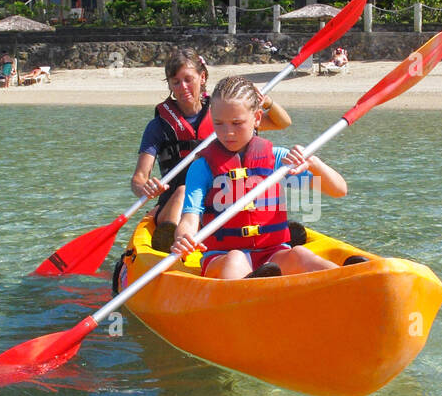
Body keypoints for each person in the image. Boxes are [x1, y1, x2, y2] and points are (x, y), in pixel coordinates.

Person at [171, 76, 348, 280]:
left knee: (300, 254)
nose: (228, 132)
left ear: (256, 118)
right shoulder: (202, 167)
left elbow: (339, 190)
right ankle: (252, 293)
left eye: (237, 123)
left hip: (272, 253)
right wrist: (184, 237)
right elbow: (189, 218)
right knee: (236, 259)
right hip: (222, 257)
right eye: (218, 123)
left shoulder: (277, 159)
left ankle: (347, 280)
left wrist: (314, 164)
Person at [132, 50, 292, 252]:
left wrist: (267, 102)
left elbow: (283, 122)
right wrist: (145, 188)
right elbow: (139, 178)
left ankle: (274, 234)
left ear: (202, 78)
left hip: (219, 194)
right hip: (176, 198)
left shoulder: (225, 117)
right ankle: (171, 240)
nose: (183, 87)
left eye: (188, 80)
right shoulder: (159, 126)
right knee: (182, 190)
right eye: (176, 82)